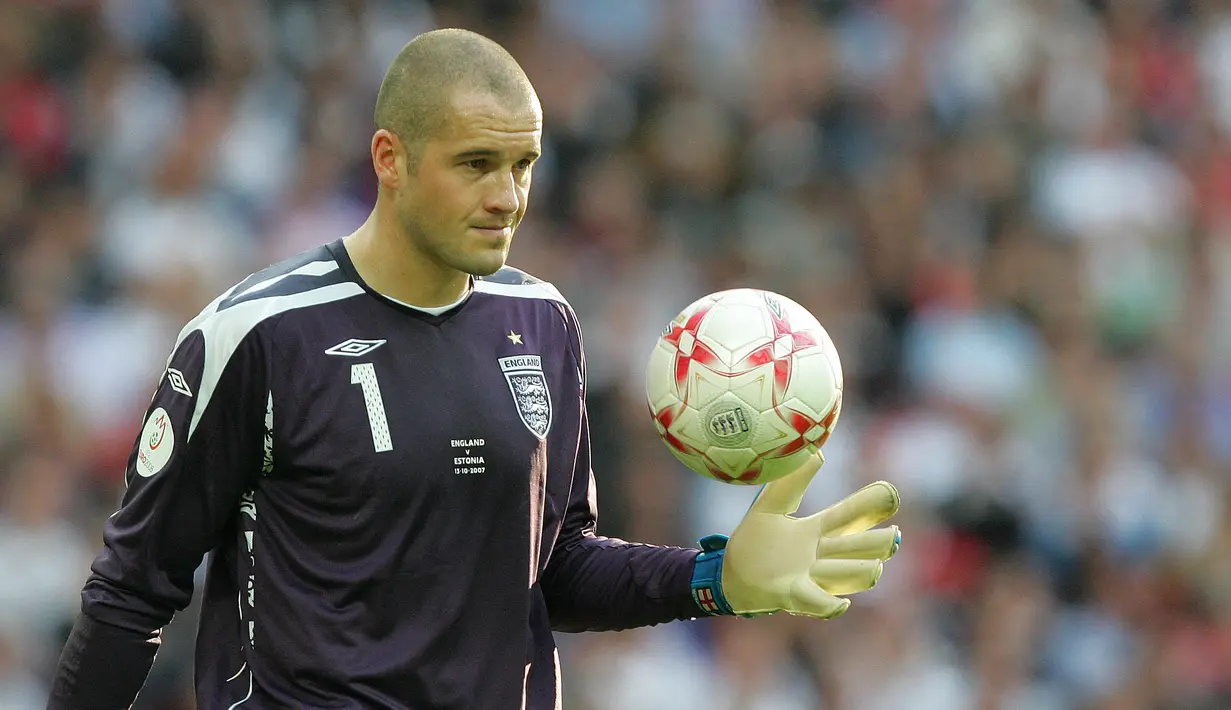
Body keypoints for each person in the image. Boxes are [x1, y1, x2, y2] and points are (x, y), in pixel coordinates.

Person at [46, 28, 902, 710]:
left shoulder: (540, 322)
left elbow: (553, 568)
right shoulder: (259, 336)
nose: (508, 197)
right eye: (475, 164)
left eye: (523, 164)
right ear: (390, 159)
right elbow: (131, 592)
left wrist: (714, 581)